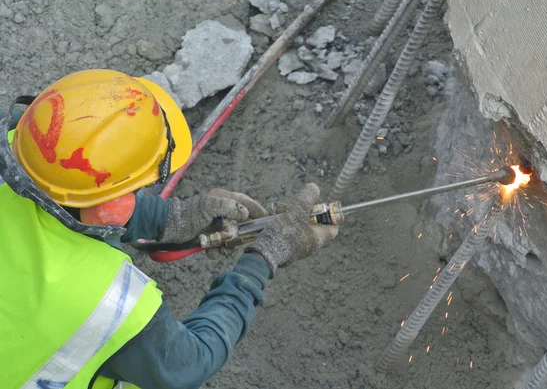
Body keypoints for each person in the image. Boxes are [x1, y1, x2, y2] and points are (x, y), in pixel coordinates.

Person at [0, 69, 339, 389]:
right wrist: (261, 261)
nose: (140, 196)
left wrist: (170, 218)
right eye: (135, 191)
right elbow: (187, 364)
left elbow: (76, 195)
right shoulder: (105, 304)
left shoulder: (31, 145)